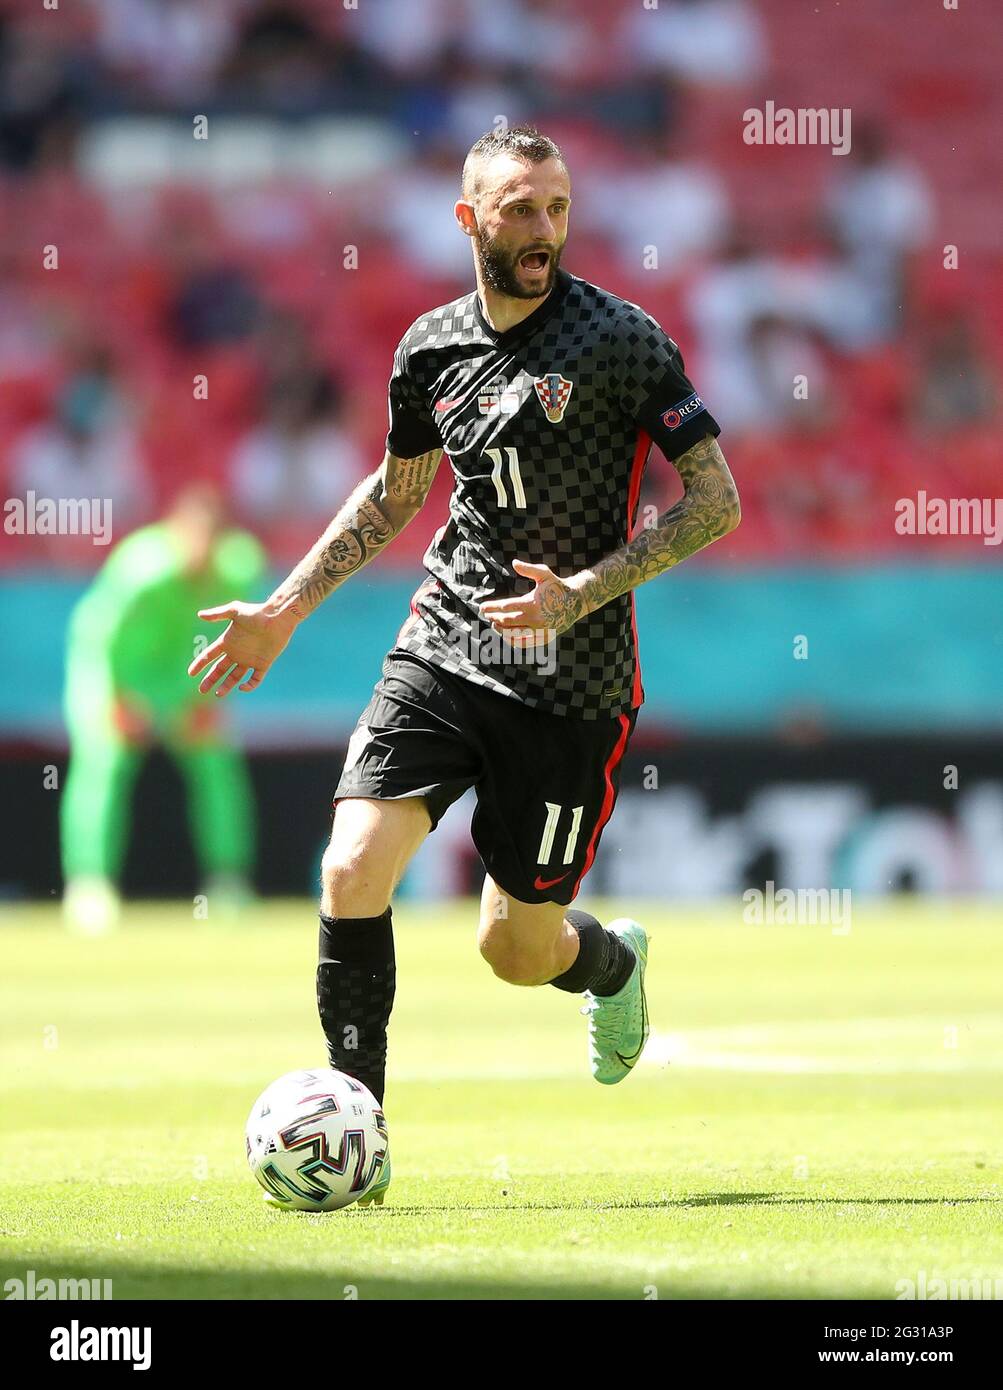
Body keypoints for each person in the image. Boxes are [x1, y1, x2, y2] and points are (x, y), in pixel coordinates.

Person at [188, 127, 740, 1206]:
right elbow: (399, 493)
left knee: (514, 947)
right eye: (521, 208)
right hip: (443, 643)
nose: (544, 230)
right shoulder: (429, 348)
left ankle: (609, 965)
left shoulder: (623, 341)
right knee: (351, 870)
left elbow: (715, 501)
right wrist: (285, 608)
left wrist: (581, 592)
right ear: (467, 217)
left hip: (570, 681)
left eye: (558, 208)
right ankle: (362, 1143)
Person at [62, 483, 264, 934]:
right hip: (113, 675)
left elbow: (239, 640)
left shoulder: (239, 567)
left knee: (217, 770)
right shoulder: (141, 570)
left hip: (185, 682)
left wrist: (208, 700)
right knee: (104, 767)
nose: (201, 551)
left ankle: (228, 881)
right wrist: (117, 700)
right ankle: (89, 886)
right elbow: (99, 636)